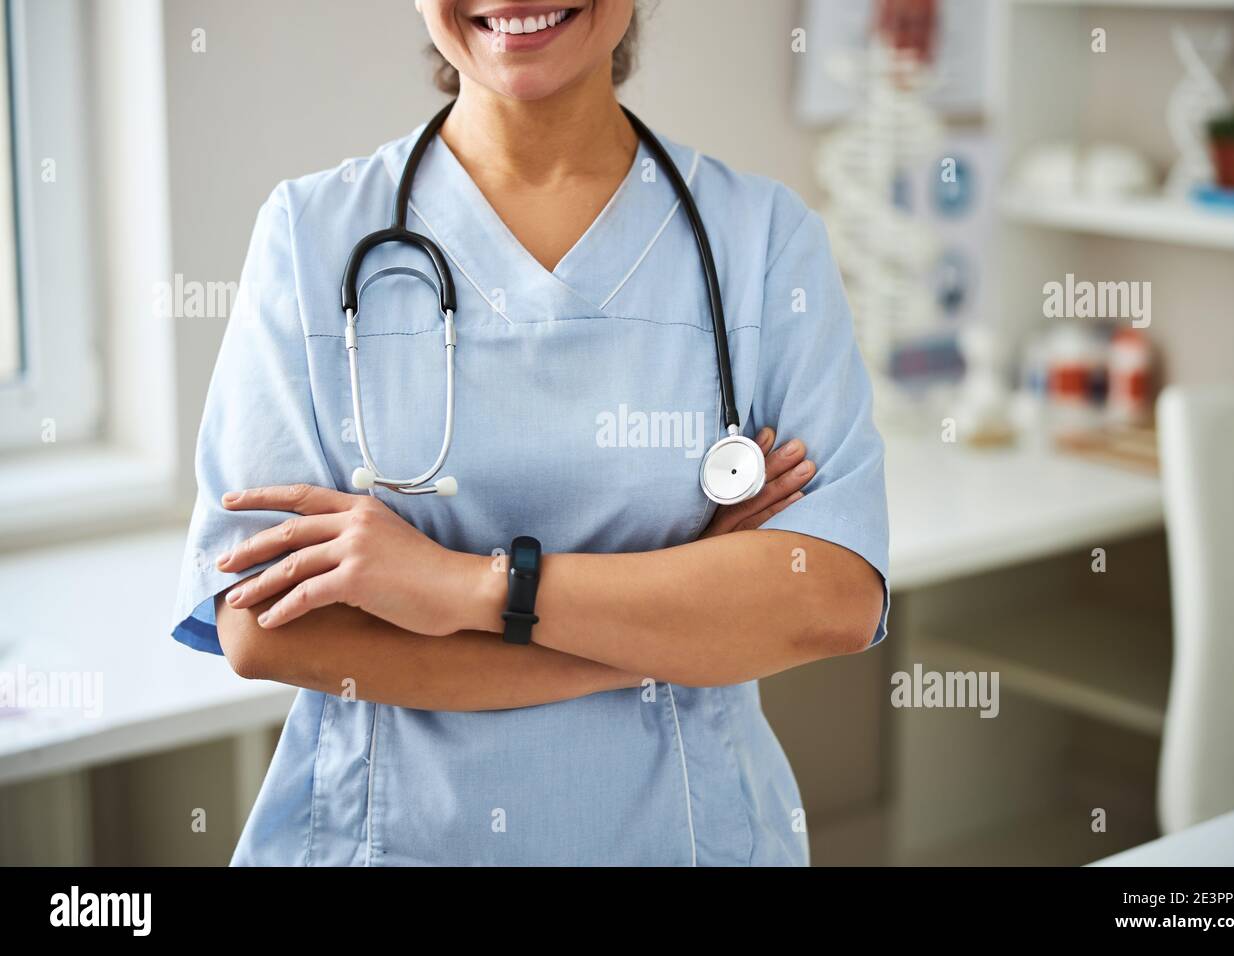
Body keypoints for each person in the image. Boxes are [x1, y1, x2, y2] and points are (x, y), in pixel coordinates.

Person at [171, 0, 889, 866]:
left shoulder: (764, 240)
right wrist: (663, 636)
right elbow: (265, 625)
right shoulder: (309, 236)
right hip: (394, 843)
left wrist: (463, 588)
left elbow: (831, 597)